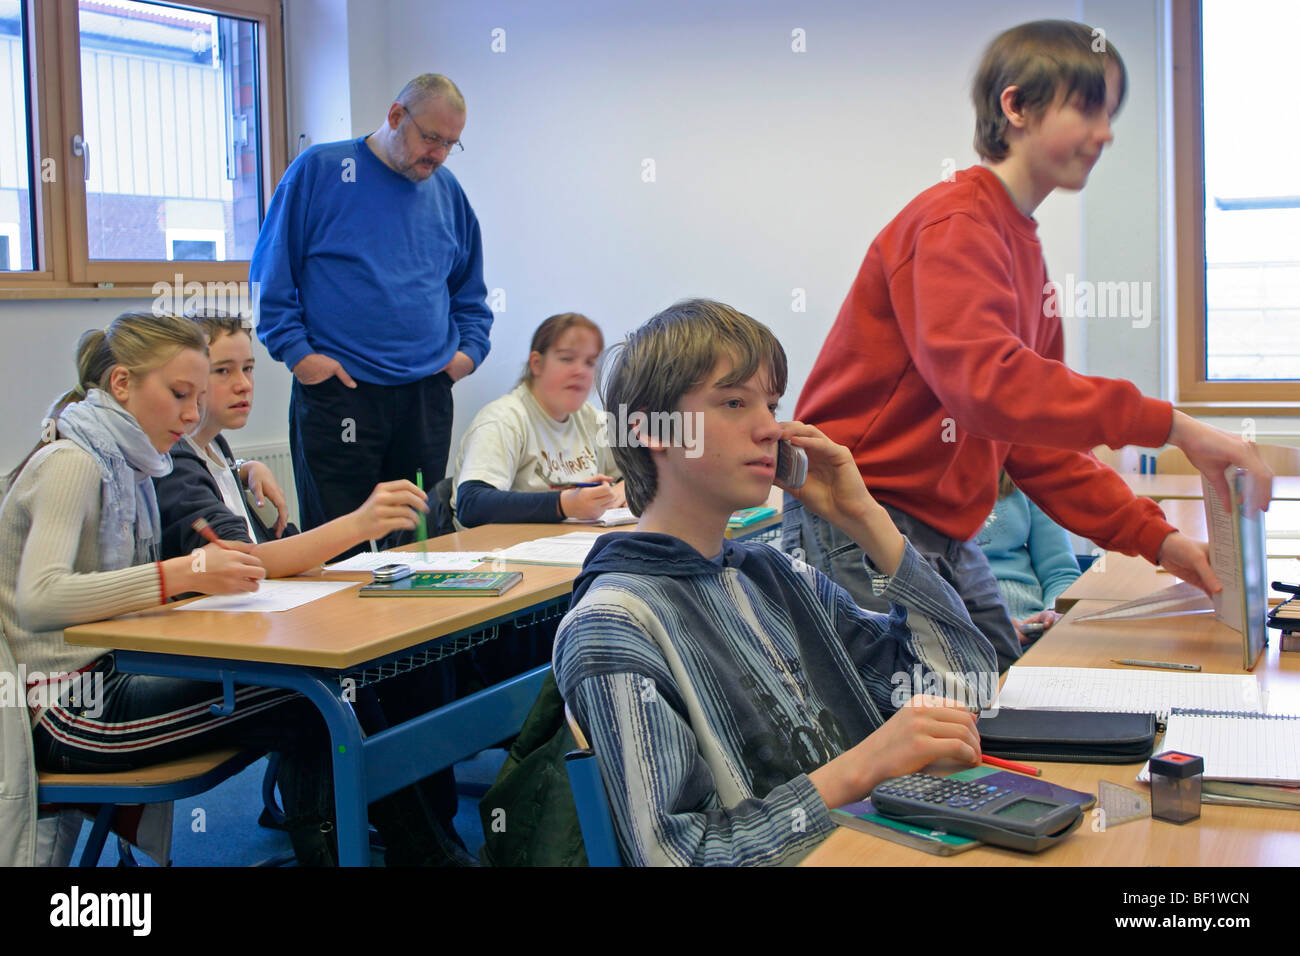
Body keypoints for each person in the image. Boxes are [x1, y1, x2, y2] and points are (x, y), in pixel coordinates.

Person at [786, 19, 1273, 674]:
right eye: (1087, 108)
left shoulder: (1023, 253)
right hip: (858, 516)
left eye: (1111, 115)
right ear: (1015, 106)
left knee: (998, 682)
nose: (1105, 134)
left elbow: (1036, 447)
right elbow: (988, 388)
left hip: (940, 531)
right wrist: (1176, 426)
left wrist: (1161, 543)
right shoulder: (956, 224)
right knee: (915, 717)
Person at [552, 299, 997, 866]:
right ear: (651, 429)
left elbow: (971, 686)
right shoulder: (612, 626)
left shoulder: (779, 577)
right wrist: (862, 767)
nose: (770, 428)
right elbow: (675, 857)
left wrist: (866, 520)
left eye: (771, 403)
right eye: (734, 402)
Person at [0, 312, 335, 866]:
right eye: (180, 394)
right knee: (314, 702)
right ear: (122, 383)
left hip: (105, 677)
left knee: (318, 696)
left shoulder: (126, 462)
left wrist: (242, 473)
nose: (191, 413)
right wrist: (182, 573)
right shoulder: (73, 463)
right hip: (67, 708)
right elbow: (41, 600)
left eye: (198, 398)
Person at [151, 313, 474, 866]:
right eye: (222, 372)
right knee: (339, 695)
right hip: (209, 655)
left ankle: (413, 844)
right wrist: (359, 523)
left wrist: (249, 466)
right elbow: (252, 562)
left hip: (246, 634)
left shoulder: (220, 452)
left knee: (371, 681)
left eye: (248, 369)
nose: (243, 384)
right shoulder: (176, 462)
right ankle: (415, 849)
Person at [251, 73, 491, 552]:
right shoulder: (320, 171)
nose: (439, 155)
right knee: (339, 550)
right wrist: (300, 356)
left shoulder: (447, 194)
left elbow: (470, 292)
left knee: (420, 545)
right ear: (396, 116)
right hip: (341, 392)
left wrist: (467, 354)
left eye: (451, 144)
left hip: (425, 392)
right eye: (430, 138)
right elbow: (268, 279)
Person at [452, 312, 624, 527]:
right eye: (567, 359)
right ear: (536, 364)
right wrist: (564, 505)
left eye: (590, 362)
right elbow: (472, 504)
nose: (580, 371)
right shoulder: (504, 419)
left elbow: (644, 471)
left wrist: (622, 488)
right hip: (499, 553)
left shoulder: (591, 418)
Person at [976, 471, 1081, 645]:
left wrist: (1053, 612)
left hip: (1033, 626)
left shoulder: (1028, 477)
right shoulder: (921, 486)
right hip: (957, 630)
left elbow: (1060, 573)